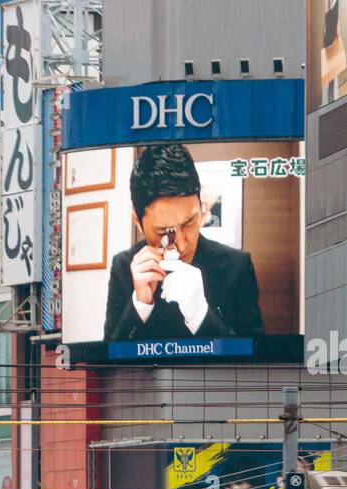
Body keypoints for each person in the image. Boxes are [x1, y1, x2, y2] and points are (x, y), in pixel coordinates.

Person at [103, 144, 265, 343]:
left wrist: (200, 314)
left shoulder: (237, 266)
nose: (180, 244)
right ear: (138, 222)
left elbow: (255, 360)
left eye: (189, 222)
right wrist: (140, 305)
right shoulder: (123, 267)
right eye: (163, 232)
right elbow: (107, 362)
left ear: (201, 208)